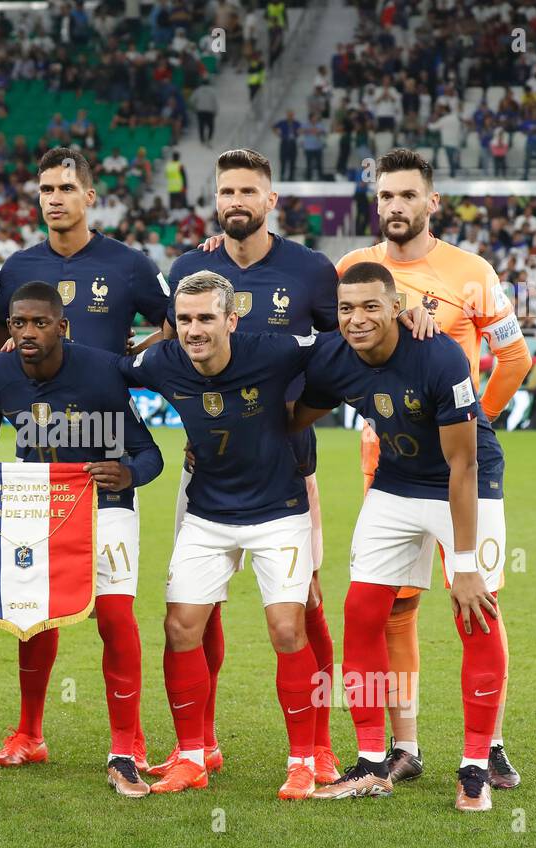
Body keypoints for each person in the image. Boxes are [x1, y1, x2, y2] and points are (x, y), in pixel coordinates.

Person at [143, 148, 343, 783]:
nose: (235, 201)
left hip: (288, 470)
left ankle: (320, 746)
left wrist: (297, 420)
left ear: (270, 200)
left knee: (304, 607)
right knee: (195, 611)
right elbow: (159, 350)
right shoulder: (188, 269)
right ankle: (196, 746)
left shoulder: (310, 271)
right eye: (226, 191)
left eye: (247, 192)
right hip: (206, 471)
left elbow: (342, 349)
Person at [335, 148, 529, 789]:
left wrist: (479, 424)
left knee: (478, 600)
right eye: (385, 196)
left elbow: (514, 359)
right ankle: (403, 745)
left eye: (406, 196)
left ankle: (489, 745)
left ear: (431, 202)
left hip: (457, 466)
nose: (394, 207)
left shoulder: (470, 272)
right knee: (392, 609)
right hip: (384, 464)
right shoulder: (354, 271)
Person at [0, 148, 170, 769]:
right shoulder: (18, 268)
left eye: (66, 188)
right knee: (33, 614)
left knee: (116, 613)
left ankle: (129, 742)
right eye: (45, 189)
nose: (54, 198)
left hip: (106, 446)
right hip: (39, 471)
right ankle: (29, 732)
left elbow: (178, 327)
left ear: (90, 196)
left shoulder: (129, 264)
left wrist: (131, 362)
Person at [0, 281, 163, 796]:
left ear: (64, 327)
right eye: (19, 323)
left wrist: (127, 474)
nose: (29, 332)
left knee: (115, 615)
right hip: (33, 503)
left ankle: (125, 751)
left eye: (40, 322)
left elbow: (150, 453)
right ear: (8, 328)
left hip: (105, 505)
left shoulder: (102, 371)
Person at [297, 261, 506, 812]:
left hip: (466, 483)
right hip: (395, 482)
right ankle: (371, 763)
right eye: (347, 308)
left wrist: (463, 564)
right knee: (362, 610)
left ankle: (476, 766)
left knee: (476, 610)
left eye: (371, 306)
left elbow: (460, 465)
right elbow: (298, 413)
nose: (357, 318)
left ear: (397, 307)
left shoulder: (437, 355)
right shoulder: (333, 355)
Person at [116, 270, 319, 798]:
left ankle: (303, 761)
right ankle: (191, 757)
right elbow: (107, 370)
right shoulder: (162, 361)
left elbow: (343, 345)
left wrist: (406, 318)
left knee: (285, 630)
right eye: (184, 320)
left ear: (232, 320)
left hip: (279, 512)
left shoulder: (274, 351)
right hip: (207, 514)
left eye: (206, 318)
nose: (194, 329)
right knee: (180, 627)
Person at [191, 78, 218, 145]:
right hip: (210, 111)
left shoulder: (198, 90)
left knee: (201, 125)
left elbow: (191, 100)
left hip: (200, 111)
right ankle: (209, 139)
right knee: (211, 126)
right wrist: (216, 110)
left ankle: (202, 139)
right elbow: (215, 102)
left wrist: (194, 108)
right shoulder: (212, 91)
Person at [274, 111, 300, 180]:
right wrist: (278, 133)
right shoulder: (283, 122)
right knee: (283, 160)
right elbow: (274, 127)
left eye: (292, 115)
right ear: (287, 115)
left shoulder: (296, 123)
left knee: (293, 161)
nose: (290, 116)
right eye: (289, 115)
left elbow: (300, 129)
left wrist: (298, 134)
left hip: (292, 143)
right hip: (285, 142)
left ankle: (291, 177)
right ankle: (282, 176)